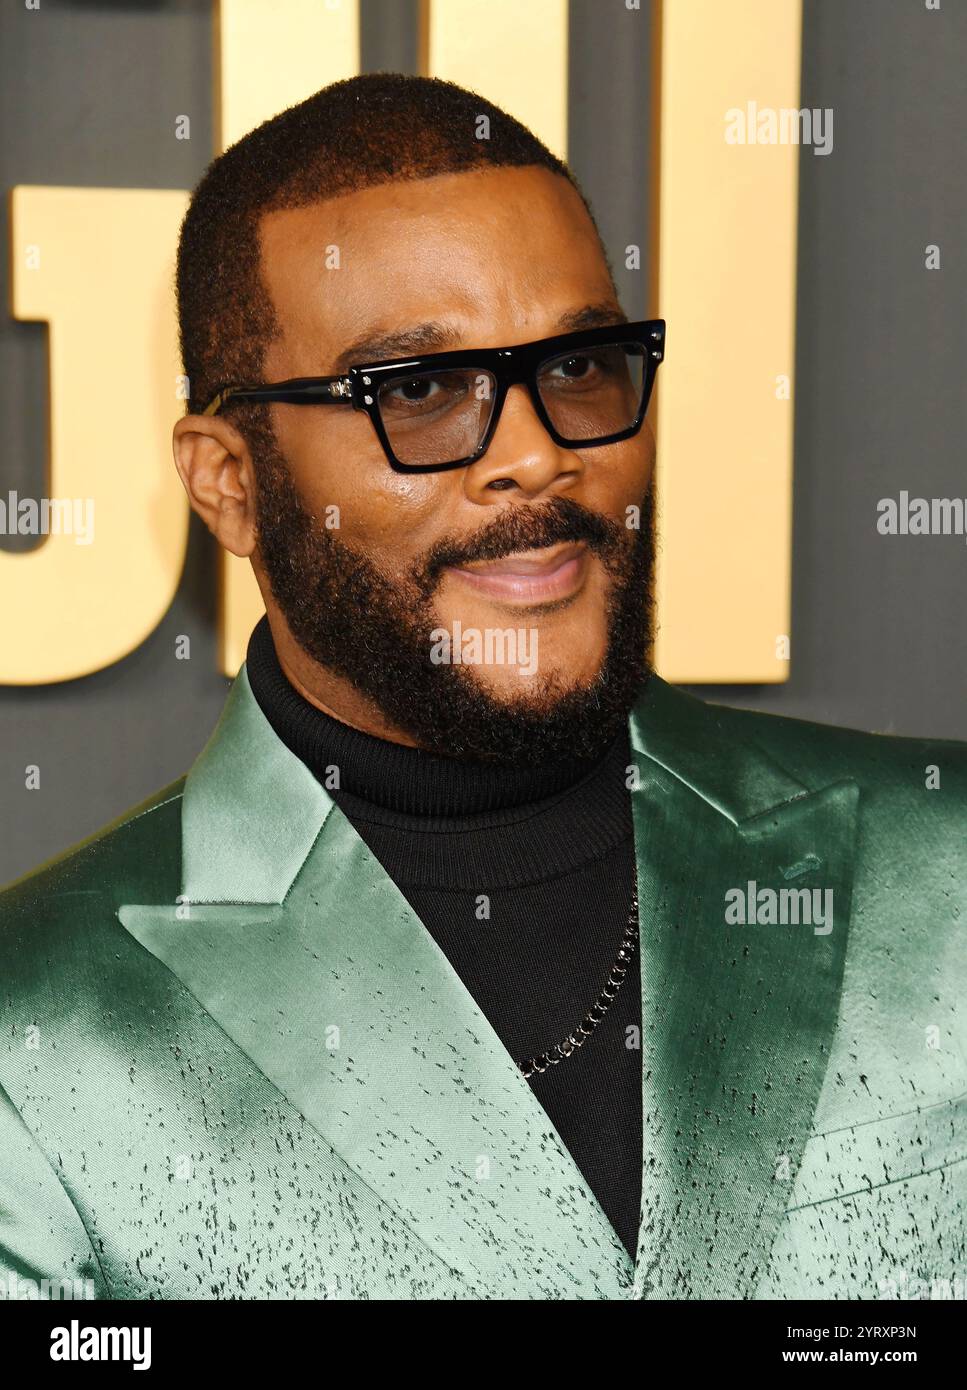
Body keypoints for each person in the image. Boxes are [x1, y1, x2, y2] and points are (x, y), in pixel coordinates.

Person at [0, 73, 963, 1302]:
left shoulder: (946, 867)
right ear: (229, 483)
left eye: (575, 364)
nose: (534, 453)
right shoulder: (35, 1038)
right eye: (414, 390)